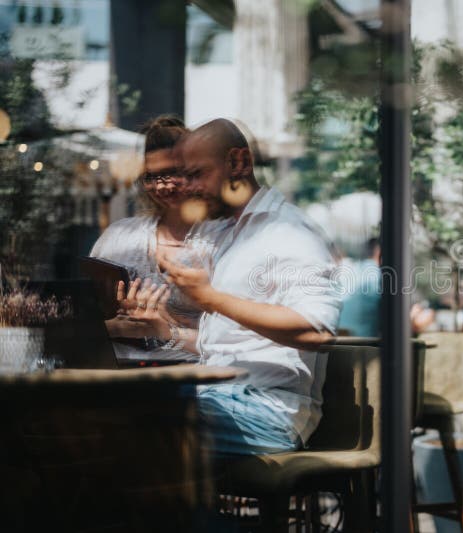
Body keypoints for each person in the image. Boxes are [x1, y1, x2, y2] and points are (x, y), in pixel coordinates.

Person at [128, 118, 341, 455]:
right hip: (218, 397)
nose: (187, 187)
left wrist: (210, 298)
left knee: (135, 428)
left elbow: (318, 333)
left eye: (197, 174)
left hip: (267, 412)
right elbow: (236, 345)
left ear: (239, 162)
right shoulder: (231, 235)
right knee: (111, 413)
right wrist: (163, 331)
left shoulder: (290, 232)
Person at [90, 116, 227, 362]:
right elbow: (87, 318)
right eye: (151, 177)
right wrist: (118, 322)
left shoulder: (226, 240)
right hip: (120, 373)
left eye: (173, 173)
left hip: (202, 381)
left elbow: (242, 341)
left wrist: (168, 321)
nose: (163, 187)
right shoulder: (119, 237)